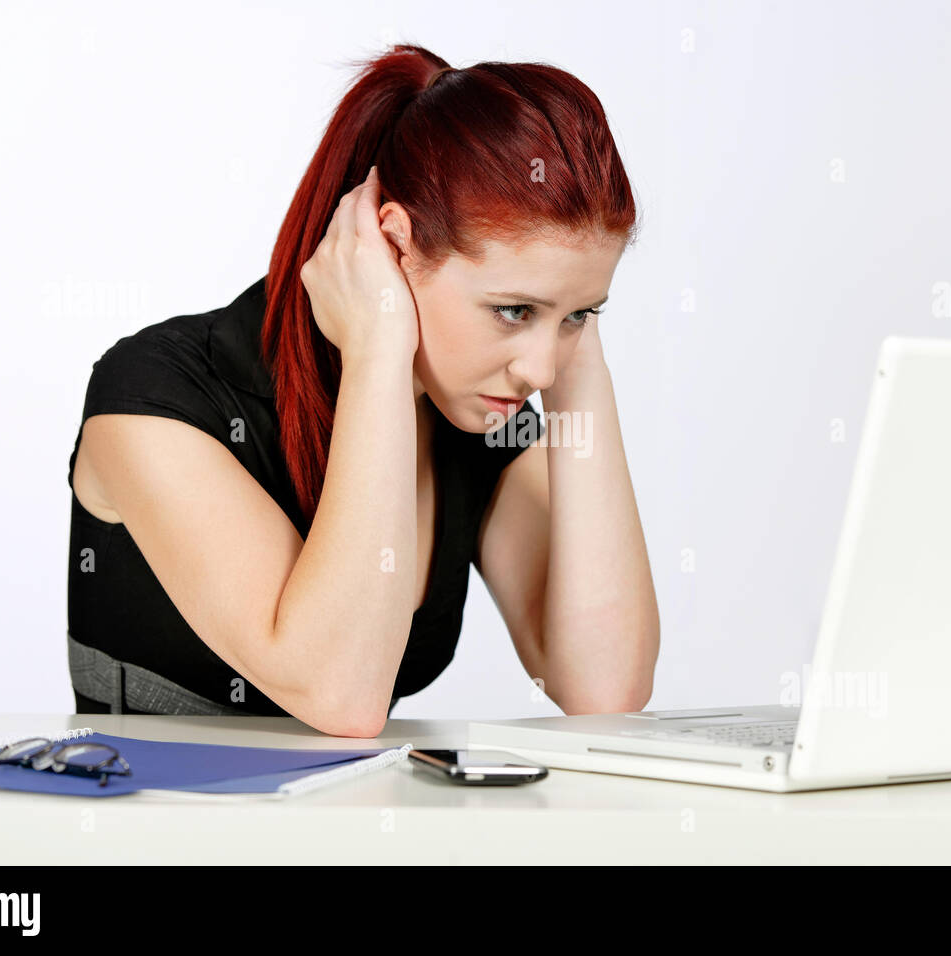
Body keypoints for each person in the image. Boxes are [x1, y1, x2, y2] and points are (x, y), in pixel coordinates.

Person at [66, 43, 659, 736]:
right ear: (392, 247)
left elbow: (605, 690)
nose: (540, 370)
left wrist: (580, 381)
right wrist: (377, 346)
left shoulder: (479, 414)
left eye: (581, 316)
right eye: (513, 310)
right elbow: (340, 695)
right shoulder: (157, 394)